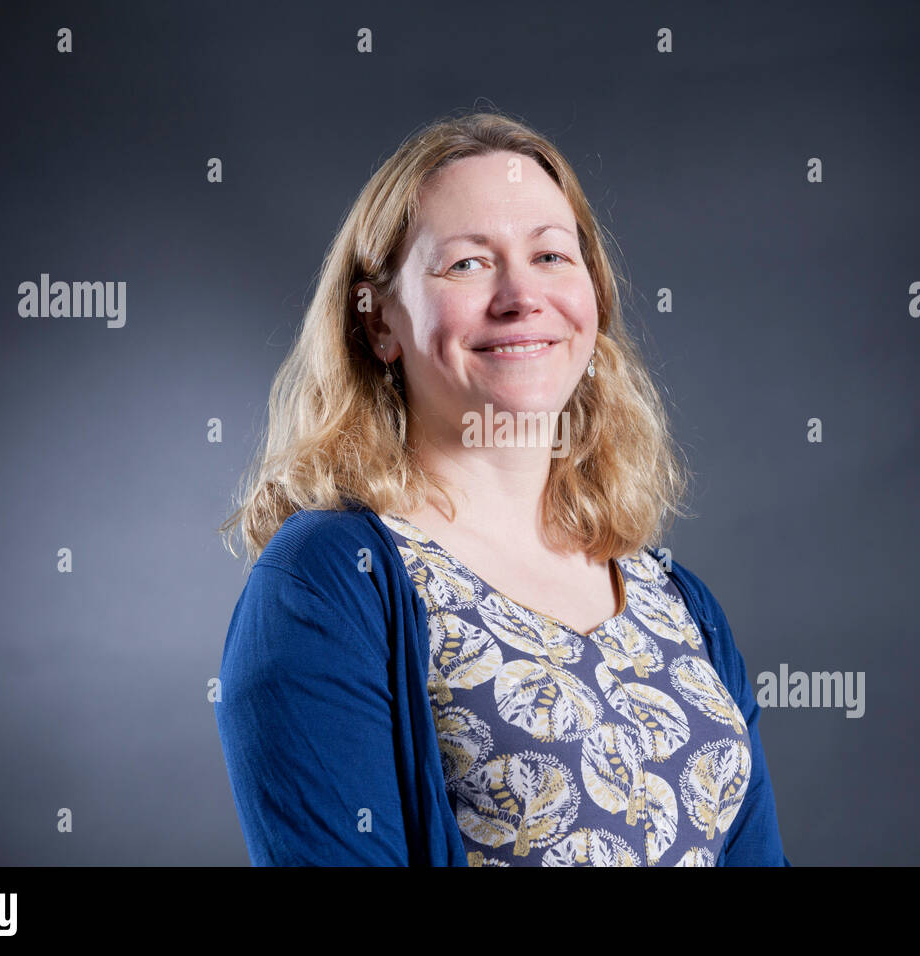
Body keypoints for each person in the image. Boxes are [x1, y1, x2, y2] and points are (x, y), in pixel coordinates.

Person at [214, 109, 791, 866]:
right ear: (378, 323)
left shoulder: (680, 605)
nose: (522, 296)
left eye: (552, 255)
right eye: (466, 264)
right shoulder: (327, 583)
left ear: (593, 298)